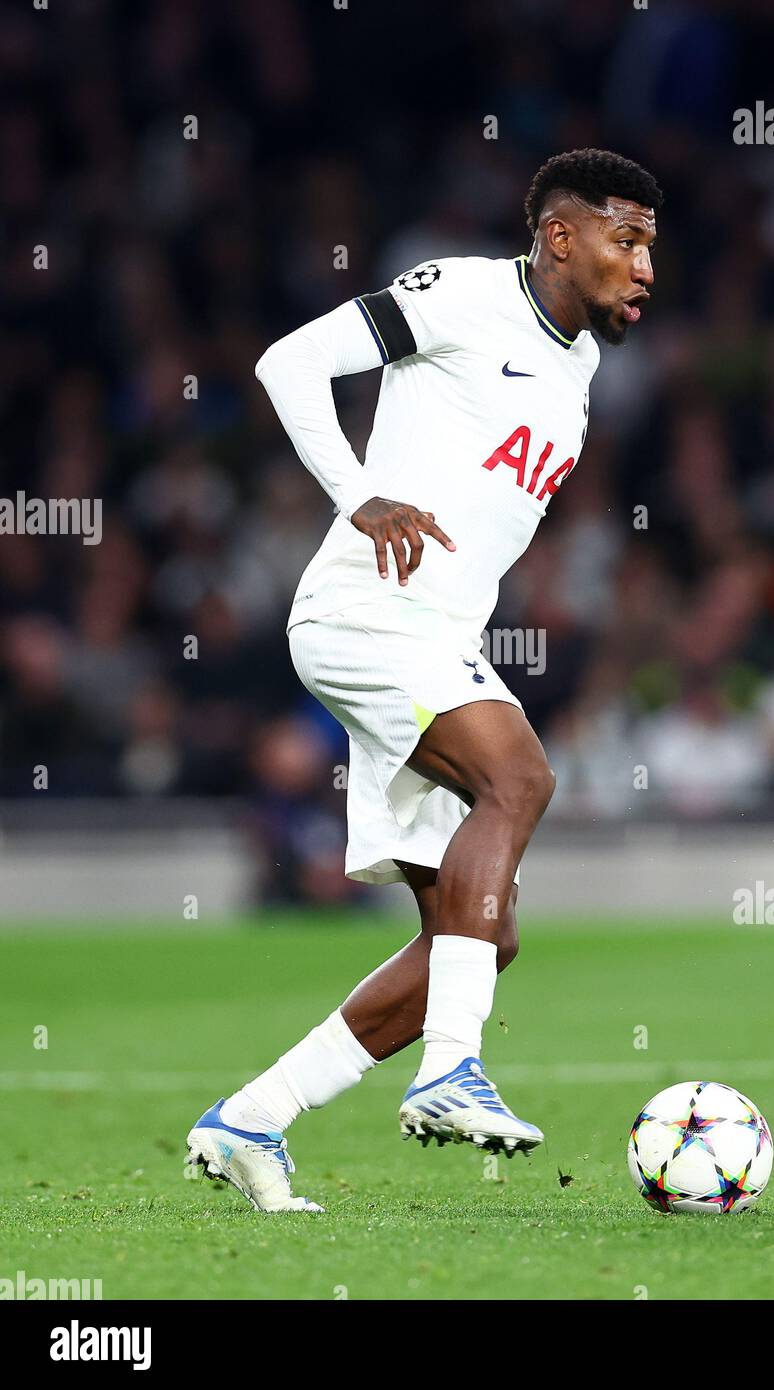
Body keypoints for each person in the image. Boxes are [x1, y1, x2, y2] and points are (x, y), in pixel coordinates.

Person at [186, 148, 661, 1211]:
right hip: (367, 609)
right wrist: (359, 494)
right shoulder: (456, 294)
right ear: (561, 236)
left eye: (651, 248)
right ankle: (450, 1069)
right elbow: (286, 364)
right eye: (626, 241)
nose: (644, 268)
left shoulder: (577, 363)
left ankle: (250, 1118)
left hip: (433, 633)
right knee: (521, 780)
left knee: (480, 932)